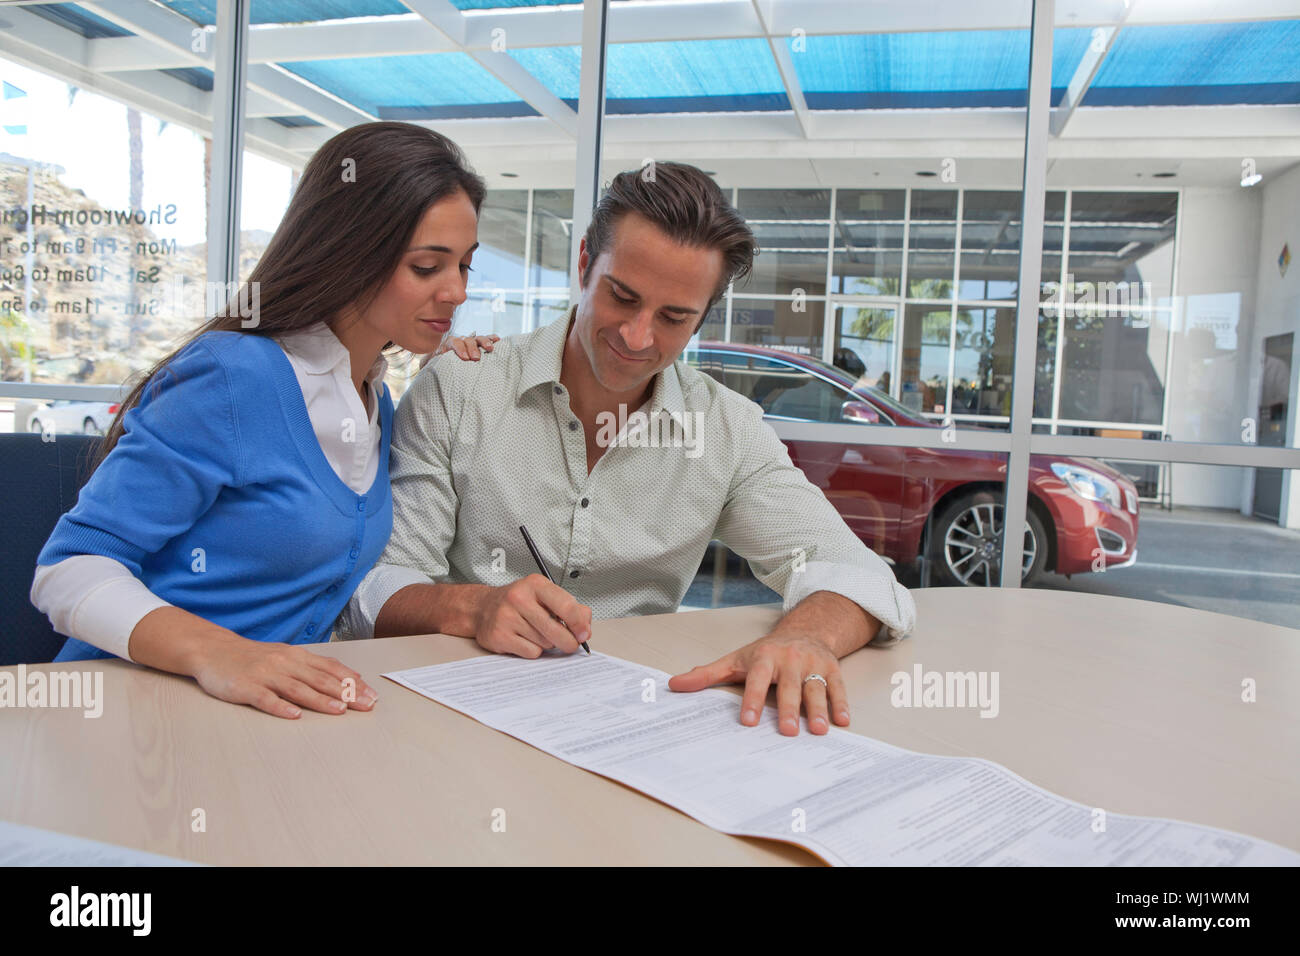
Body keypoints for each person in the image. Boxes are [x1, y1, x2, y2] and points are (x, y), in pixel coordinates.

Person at [342, 161, 916, 737]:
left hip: (632, 726)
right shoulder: (460, 387)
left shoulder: (725, 429)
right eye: (622, 296)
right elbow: (377, 587)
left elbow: (857, 572)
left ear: (701, 318)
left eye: (673, 317)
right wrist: (472, 607)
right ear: (586, 263)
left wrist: (806, 636)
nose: (637, 337)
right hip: (459, 718)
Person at [31, 121, 497, 719]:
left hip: (260, 725)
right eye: (429, 268)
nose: (457, 292)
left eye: (465, 266)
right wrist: (223, 653)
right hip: (133, 716)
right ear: (352, 252)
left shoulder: (374, 401)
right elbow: (68, 567)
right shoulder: (235, 376)